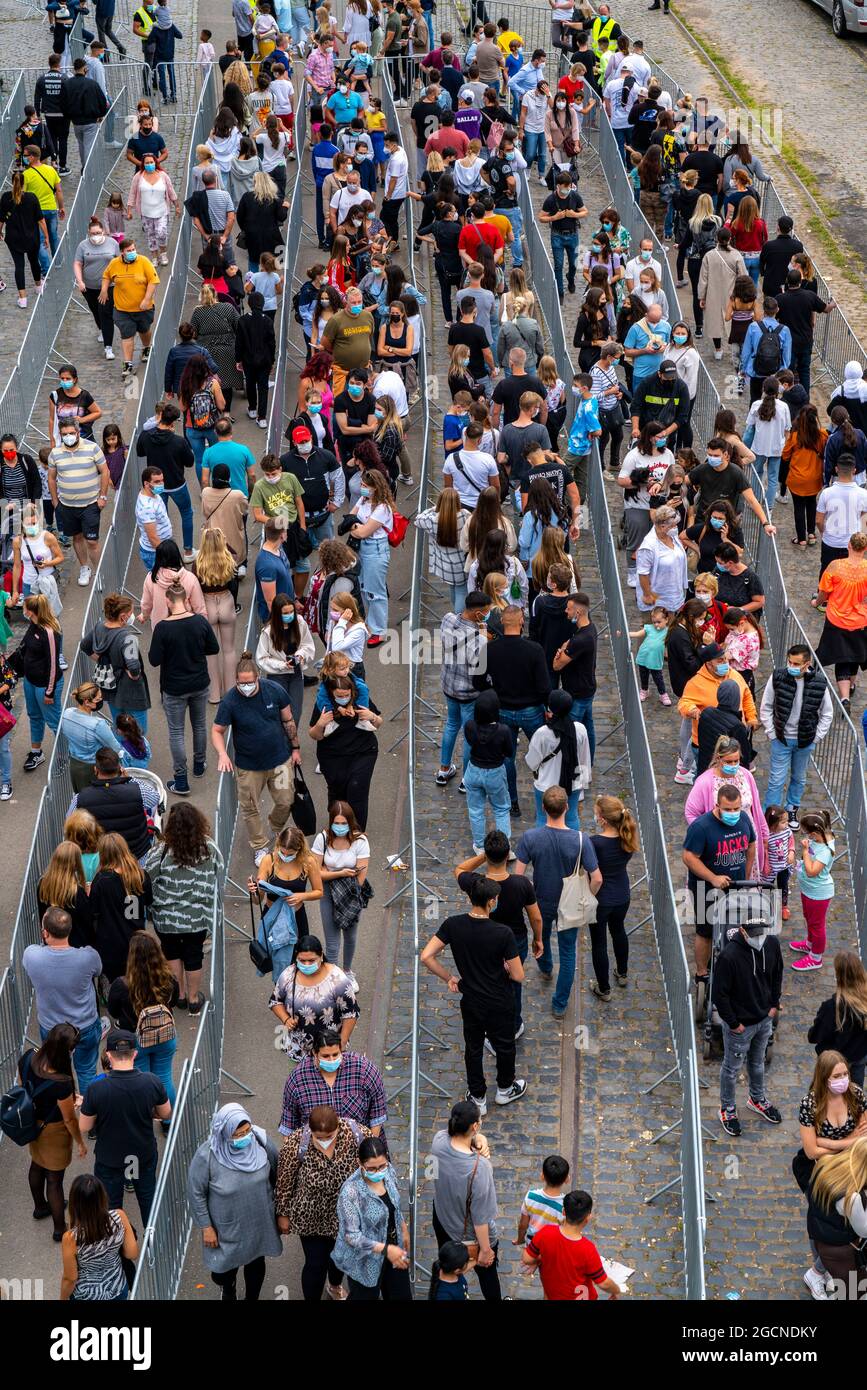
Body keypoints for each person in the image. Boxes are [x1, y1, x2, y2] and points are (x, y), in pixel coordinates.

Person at [515, 784, 602, 1017]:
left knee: (540, 938)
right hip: (570, 903)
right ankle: (560, 1003)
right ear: (566, 807)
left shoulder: (531, 838)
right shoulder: (581, 840)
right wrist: (587, 896)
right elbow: (597, 879)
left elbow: (517, 877)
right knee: (568, 951)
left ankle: (545, 968)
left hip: (541, 901)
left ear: (543, 808)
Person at [276, 1102, 372, 1302]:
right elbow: (284, 1181)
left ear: (338, 1126)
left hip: (347, 1214)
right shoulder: (295, 1143)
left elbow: (376, 1166)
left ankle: (335, 1285)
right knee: (315, 1263)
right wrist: (283, 1214)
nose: (325, 1141)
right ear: (310, 1131)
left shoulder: (359, 1135)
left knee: (339, 1258)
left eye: (330, 1136)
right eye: (319, 1138)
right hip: (310, 1215)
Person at [188, 1103, 282, 1301]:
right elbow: (196, 1192)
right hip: (226, 1228)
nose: (245, 1137)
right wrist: (206, 1227)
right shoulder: (207, 1155)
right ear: (224, 1132)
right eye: (237, 1134)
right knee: (222, 1272)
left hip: (259, 1221)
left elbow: (278, 1175)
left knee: (256, 1264)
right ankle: (228, 1288)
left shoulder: (261, 1141)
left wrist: (279, 1211)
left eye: (247, 1131)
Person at [213, 650, 302, 860]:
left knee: (286, 801)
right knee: (250, 807)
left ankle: (276, 825)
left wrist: (296, 748)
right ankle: (260, 846)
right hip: (249, 766)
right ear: (236, 681)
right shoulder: (231, 701)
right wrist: (222, 754)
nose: (246, 686)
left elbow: (288, 721)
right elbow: (217, 730)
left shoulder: (274, 690)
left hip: (280, 761)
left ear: (257, 678)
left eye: (250, 682)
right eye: (241, 683)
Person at [78, 1027, 171, 1223]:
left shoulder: (96, 1088)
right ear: (135, 1054)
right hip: (141, 1155)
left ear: (108, 1055)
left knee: (111, 1209)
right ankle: (153, 1246)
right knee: (147, 1200)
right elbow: (165, 1113)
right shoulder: (151, 1082)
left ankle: (118, 1249)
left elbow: (84, 1126)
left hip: (110, 1159)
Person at [710, 910, 783, 1137]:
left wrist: (773, 1005)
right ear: (743, 931)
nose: (759, 938)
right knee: (731, 1068)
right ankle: (728, 1109)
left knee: (758, 1062)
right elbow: (719, 995)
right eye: (755, 934)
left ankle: (757, 1098)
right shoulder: (729, 956)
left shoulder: (771, 944)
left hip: (763, 1019)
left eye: (762, 933)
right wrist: (733, 1023)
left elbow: (777, 974)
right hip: (740, 1026)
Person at [147, 581, 218, 795]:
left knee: (176, 732)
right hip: (199, 682)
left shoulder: (162, 628)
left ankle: (181, 779)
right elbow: (213, 648)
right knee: (199, 725)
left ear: (167, 601)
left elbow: (153, 660)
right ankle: (199, 764)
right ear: (187, 600)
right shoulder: (199, 622)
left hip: (174, 687)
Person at [682, 782, 758, 982]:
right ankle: (701, 973)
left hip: (736, 887)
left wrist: (747, 876)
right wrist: (713, 878)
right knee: (705, 931)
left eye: (736, 808)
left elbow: (751, 844)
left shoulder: (743, 819)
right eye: (728, 809)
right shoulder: (701, 827)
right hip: (705, 889)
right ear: (717, 805)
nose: (733, 813)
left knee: (736, 927)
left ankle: (732, 967)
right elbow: (689, 858)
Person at [16, 1024, 85, 1243]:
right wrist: (80, 1142)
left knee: (36, 1164)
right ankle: (59, 1229)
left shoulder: (28, 1057)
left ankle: (39, 1207)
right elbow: (69, 1119)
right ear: (66, 1051)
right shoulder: (61, 1083)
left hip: (33, 1124)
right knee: (54, 1180)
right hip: (53, 1131)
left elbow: (22, 1085)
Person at [430, 1099, 502, 1299]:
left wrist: (479, 1139)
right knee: (488, 1277)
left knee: (446, 1263)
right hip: (468, 1234)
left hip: (442, 1219)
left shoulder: (438, 1141)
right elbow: (480, 1218)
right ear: (475, 1126)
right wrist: (486, 1250)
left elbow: (431, 1173)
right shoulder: (480, 1169)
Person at [332, 1135, 411, 1301]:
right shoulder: (350, 1192)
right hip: (364, 1261)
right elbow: (352, 1236)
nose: (378, 1172)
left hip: (394, 1251)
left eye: (382, 1166)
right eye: (372, 1168)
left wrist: (403, 1229)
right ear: (360, 1163)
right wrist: (386, 1249)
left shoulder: (388, 1172)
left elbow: (394, 1205)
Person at [309, 670, 382, 829]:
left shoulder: (361, 699)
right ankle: (338, 828)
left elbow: (378, 723)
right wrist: (321, 724)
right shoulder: (324, 704)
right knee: (338, 793)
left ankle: (357, 832)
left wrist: (372, 717)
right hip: (332, 756)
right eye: (339, 695)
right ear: (331, 693)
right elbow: (314, 735)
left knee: (357, 790)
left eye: (346, 694)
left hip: (363, 752)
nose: (343, 698)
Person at [523, 1187, 626, 1299]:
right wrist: (616, 1290)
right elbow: (603, 1283)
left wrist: (540, 1258)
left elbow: (527, 1259)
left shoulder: (545, 1233)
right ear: (587, 1218)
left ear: (563, 1211)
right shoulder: (588, 1249)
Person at [46, 421, 110, 587]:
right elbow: (51, 478)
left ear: (77, 432)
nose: (68, 436)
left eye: (70, 433)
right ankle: (84, 567)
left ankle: (99, 572)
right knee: (77, 537)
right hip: (67, 506)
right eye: (64, 434)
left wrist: (103, 496)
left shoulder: (92, 448)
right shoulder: (55, 453)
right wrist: (55, 501)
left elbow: (105, 471)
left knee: (92, 541)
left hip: (90, 504)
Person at [310, 805, 370, 972]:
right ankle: (333, 979)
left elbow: (360, 878)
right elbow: (315, 874)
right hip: (327, 893)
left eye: (344, 823)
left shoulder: (360, 841)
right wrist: (342, 873)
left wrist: (328, 872)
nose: (340, 826)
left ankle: (347, 972)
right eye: (336, 822)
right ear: (331, 822)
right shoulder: (322, 839)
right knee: (332, 943)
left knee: (350, 937)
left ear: (350, 823)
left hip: (351, 894)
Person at [82, 592, 151, 734]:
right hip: (132, 692)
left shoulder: (99, 627)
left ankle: (121, 754)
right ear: (123, 617)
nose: (132, 616)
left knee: (119, 726)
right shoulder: (128, 638)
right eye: (131, 613)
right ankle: (137, 754)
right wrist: (134, 674)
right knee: (138, 730)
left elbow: (85, 645)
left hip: (110, 687)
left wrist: (100, 660)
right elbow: (134, 668)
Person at [8, 593, 63, 770]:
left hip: (45, 685)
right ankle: (36, 752)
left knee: (54, 721)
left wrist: (49, 691)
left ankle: (65, 755)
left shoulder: (49, 632)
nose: (22, 610)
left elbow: (53, 664)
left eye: (25, 608)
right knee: (34, 716)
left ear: (31, 612)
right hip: (31, 681)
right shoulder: (34, 624)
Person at [525, 688, 592, 831]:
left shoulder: (542, 733)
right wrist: (583, 783)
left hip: (545, 786)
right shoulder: (580, 729)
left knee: (543, 819)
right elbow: (585, 758)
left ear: (550, 710)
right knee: (572, 817)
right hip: (572, 785)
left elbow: (532, 762)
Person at [90, 832, 152, 984]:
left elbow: (93, 910)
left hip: (111, 944)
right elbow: (148, 901)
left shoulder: (102, 880)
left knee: (117, 985)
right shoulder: (141, 875)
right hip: (136, 938)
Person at [816, 532, 867, 710]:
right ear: (865, 549)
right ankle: (851, 687)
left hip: (837, 619)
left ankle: (845, 698)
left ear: (849, 546)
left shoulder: (835, 566)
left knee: (842, 657)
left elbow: (824, 592)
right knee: (853, 656)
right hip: (860, 620)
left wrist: (817, 602)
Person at [99, 237, 160, 381]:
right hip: (122, 310)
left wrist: (146, 299)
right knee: (127, 335)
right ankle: (128, 364)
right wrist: (104, 290)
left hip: (143, 308)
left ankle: (146, 347)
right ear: (122, 252)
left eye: (133, 249)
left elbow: (153, 281)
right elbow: (106, 276)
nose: (132, 252)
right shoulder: (114, 263)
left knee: (144, 330)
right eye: (129, 251)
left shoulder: (144, 261)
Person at [551, 589, 598, 760]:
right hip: (587, 688)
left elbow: (557, 666)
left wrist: (562, 650)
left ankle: (570, 764)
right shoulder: (590, 628)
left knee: (569, 731)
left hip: (577, 692)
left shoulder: (580, 640)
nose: (566, 611)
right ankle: (588, 762)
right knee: (588, 727)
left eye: (569, 609)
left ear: (577, 612)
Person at [810, 953, 867, 1090]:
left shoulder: (832, 1008)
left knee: (824, 1099)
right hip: (859, 1058)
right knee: (854, 1098)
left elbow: (815, 1036)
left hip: (833, 1064)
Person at [0, 170, 46, 309]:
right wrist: (47, 237)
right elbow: (41, 220)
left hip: (14, 238)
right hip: (32, 237)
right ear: (24, 182)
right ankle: (38, 286)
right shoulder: (32, 197)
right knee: (34, 262)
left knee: (19, 266)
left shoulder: (5, 197)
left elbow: (1, 218)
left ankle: (23, 298)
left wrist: (0, 231)